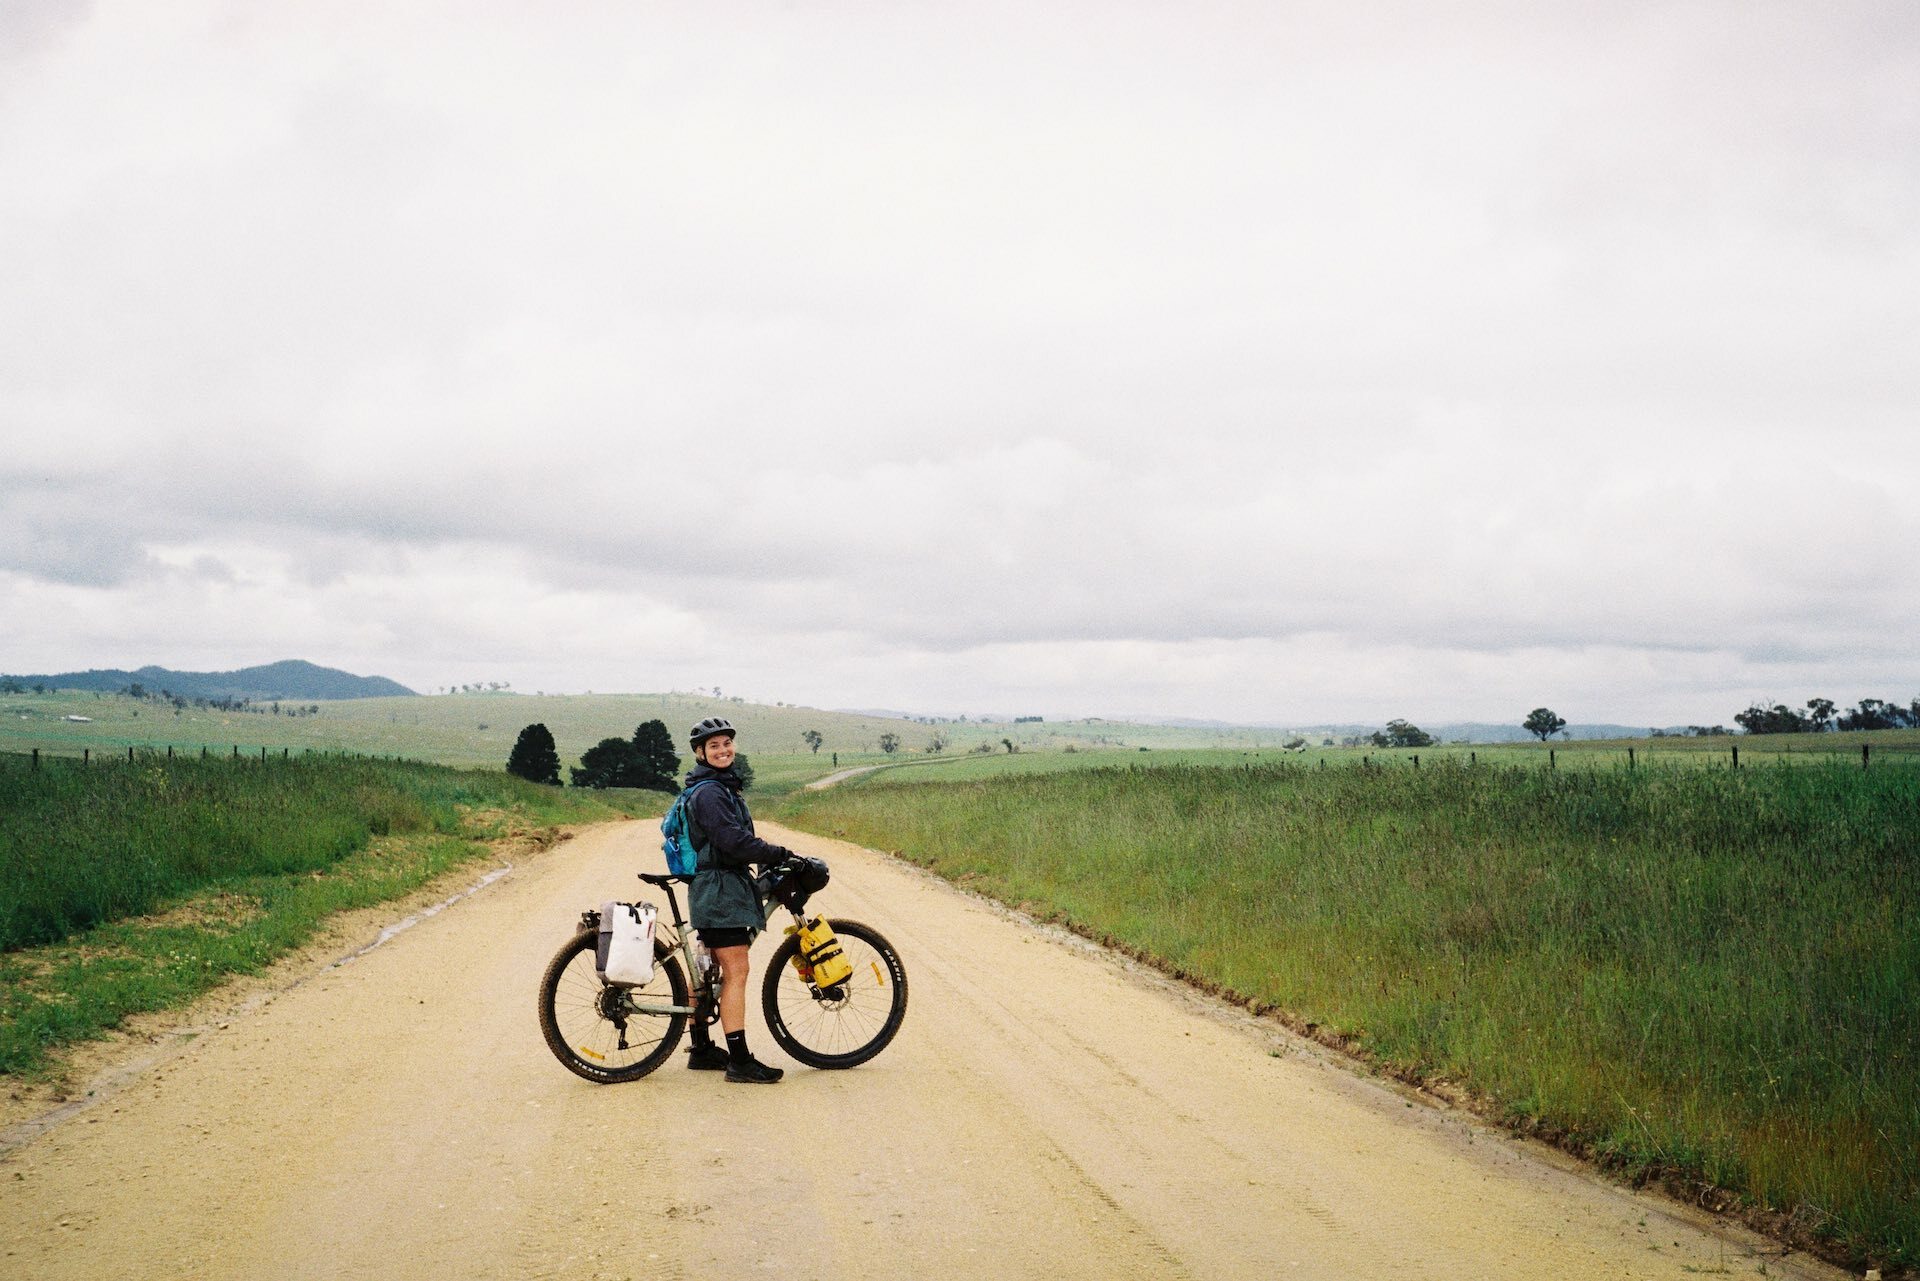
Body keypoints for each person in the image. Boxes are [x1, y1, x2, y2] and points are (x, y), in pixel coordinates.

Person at [681, 716, 792, 1084]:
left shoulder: (717, 786)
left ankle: (700, 1049)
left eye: (727, 743)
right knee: (736, 971)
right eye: (714, 746)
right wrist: (777, 852)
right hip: (719, 890)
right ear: (700, 753)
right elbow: (732, 841)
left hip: (715, 886)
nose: (723, 749)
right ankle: (740, 1061)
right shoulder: (710, 792)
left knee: (709, 972)